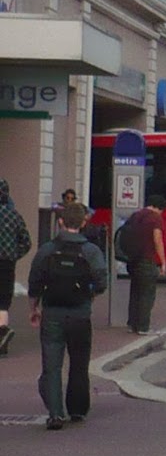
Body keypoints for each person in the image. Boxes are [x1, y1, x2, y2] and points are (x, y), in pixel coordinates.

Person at [27, 203, 107, 429]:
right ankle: (78, 408)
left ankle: (55, 412)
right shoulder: (91, 251)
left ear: (60, 221)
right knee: (79, 363)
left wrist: (34, 309)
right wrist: (89, 294)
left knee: (51, 365)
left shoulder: (47, 250)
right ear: (83, 223)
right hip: (80, 314)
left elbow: (34, 283)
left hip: (52, 312)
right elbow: (102, 282)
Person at [121, 194, 166, 334]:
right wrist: (163, 261)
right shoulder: (155, 218)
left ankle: (132, 324)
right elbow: (157, 240)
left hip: (132, 259)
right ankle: (143, 326)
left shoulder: (135, 215)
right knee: (147, 294)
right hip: (146, 259)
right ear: (159, 208)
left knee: (135, 292)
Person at [0, 178, 33, 355]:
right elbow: (27, 242)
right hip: (6, 263)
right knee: (3, 301)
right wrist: (14, 254)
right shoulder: (14, 216)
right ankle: (2, 331)